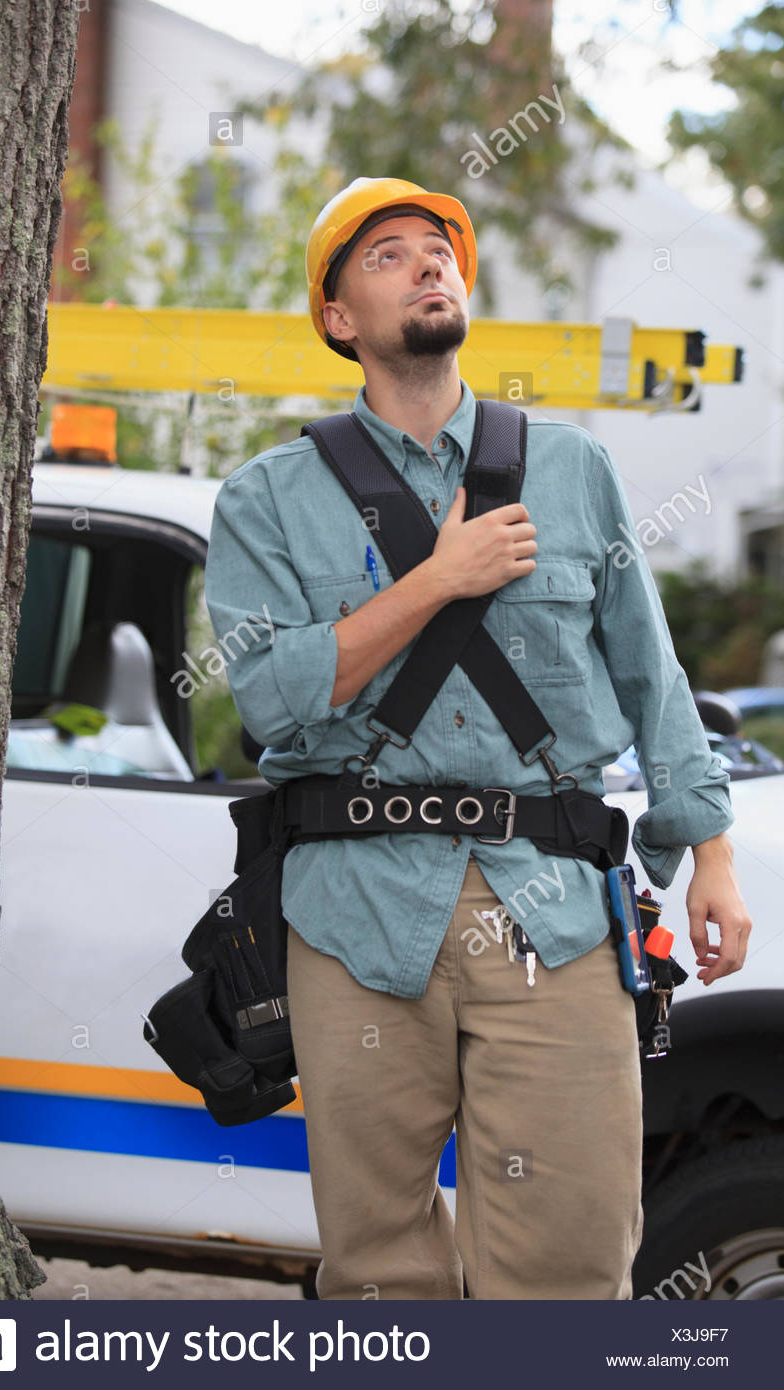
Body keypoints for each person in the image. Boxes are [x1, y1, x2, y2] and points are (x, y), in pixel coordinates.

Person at [203, 177, 752, 1300]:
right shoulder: (266, 498)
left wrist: (710, 850)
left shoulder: (570, 471)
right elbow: (271, 696)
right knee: (379, 1274)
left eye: (438, 250)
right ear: (340, 319)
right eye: (389, 256)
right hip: (352, 912)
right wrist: (435, 582)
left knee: (568, 1258)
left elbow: (651, 675)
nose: (427, 266)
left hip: (550, 904)